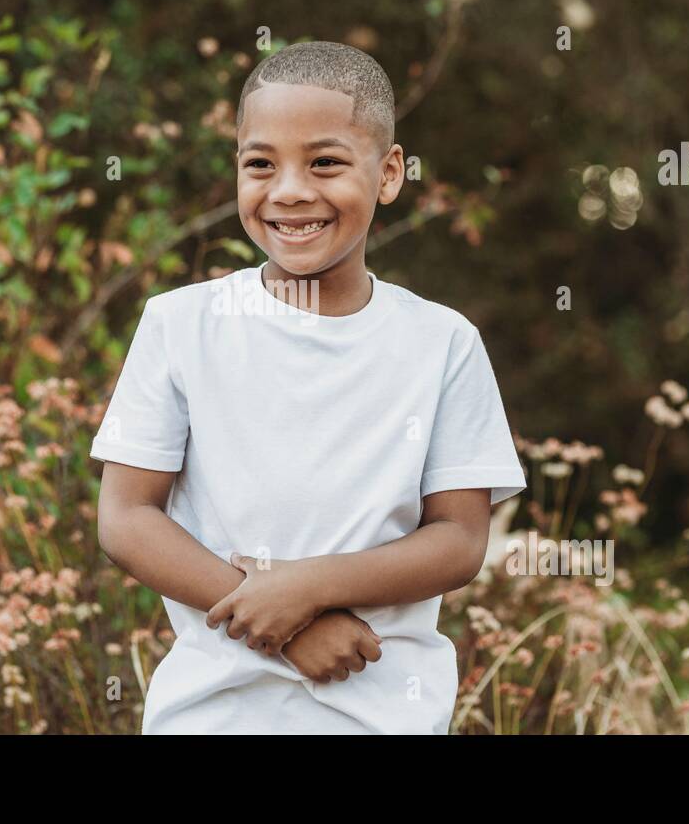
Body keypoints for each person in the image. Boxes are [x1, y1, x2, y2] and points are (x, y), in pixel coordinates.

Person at [93, 40, 525, 733]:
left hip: (383, 716)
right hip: (210, 717)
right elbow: (126, 518)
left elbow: (459, 538)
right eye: (260, 164)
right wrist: (284, 626)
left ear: (388, 173)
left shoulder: (442, 343)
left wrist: (308, 588)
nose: (290, 190)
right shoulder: (180, 324)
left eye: (325, 162)